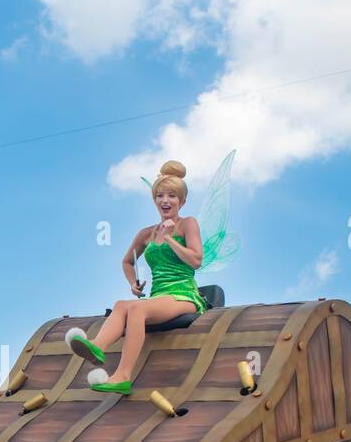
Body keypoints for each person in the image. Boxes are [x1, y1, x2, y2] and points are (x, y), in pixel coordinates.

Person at [65, 154, 238, 396]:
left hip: (183, 295)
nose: (165, 200)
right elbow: (127, 261)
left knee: (136, 309)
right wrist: (133, 284)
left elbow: (196, 260)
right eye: (160, 195)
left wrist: (168, 237)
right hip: (159, 296)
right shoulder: (146, 233)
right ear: (154, 199)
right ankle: (96, 347)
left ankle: (122, 376)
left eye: (171, 196)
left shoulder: (188, 224)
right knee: (121, 304)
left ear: (182, 201)